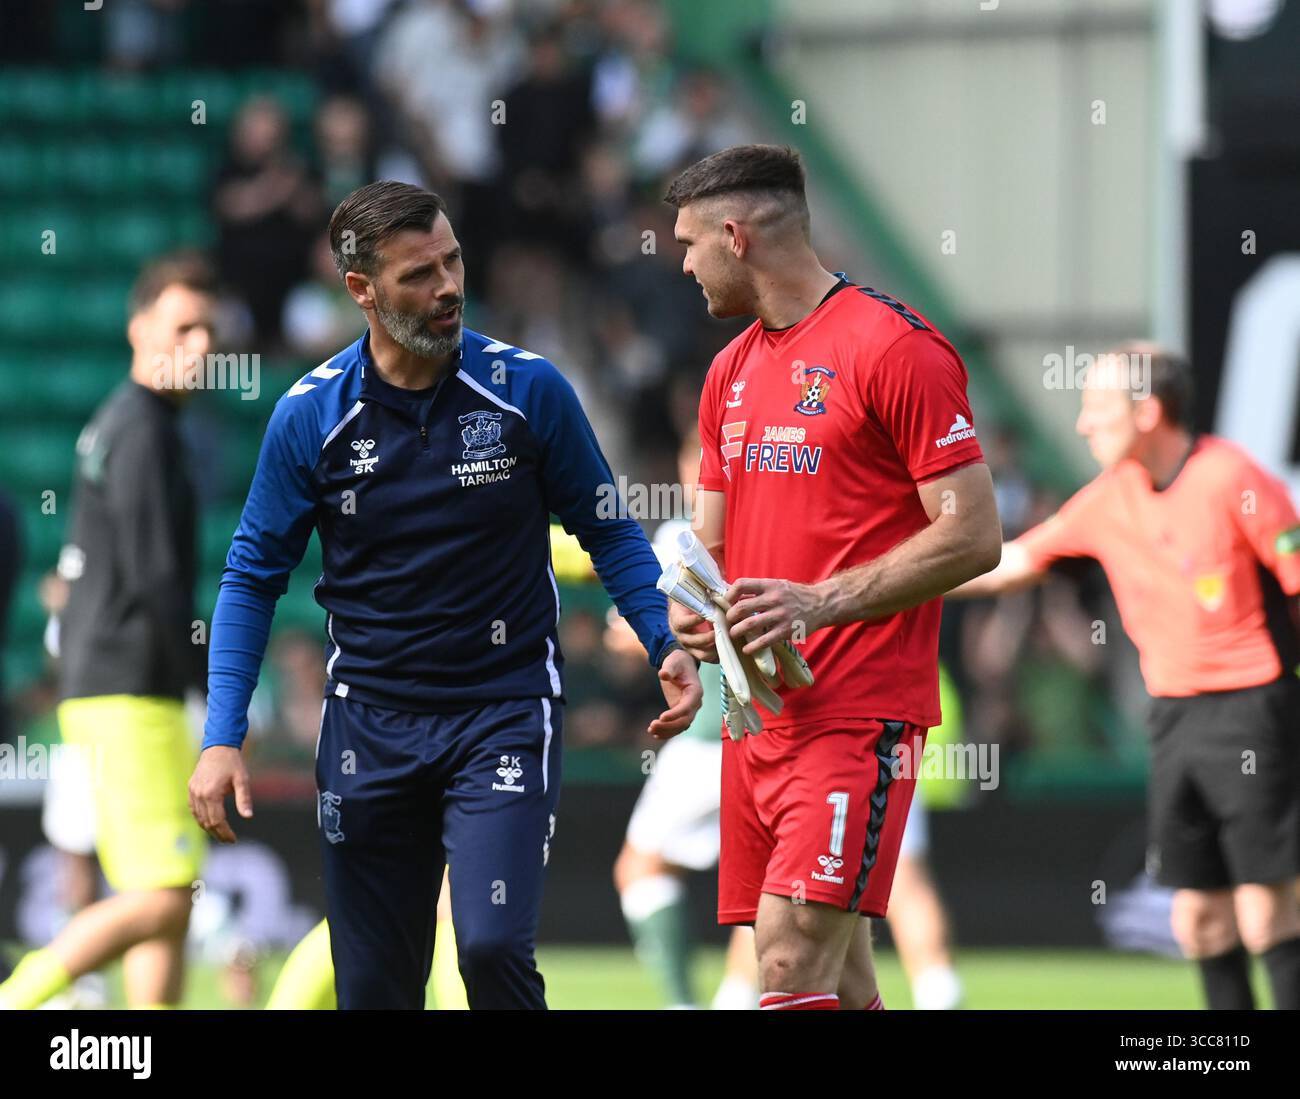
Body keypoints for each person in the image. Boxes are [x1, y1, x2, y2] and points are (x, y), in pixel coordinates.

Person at [189, 180, 701, 1010]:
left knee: (491, 947)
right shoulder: (310, 416)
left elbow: (608, 527)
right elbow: (251, 574)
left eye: (453, 261)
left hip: (501, 708)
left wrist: (662, 641)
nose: (448, 288)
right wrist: (222, 733)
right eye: (419, 275)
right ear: (361, 290)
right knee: (376, 988)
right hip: (368, 724)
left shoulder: (529, 392)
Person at [664, 145, 1002, 1010]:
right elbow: (714, 549)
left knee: (784, 967)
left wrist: (818, 600)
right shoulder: (726, 373)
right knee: (843, 982)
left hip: (858, 717)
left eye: (690, 244)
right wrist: (689, 627)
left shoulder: (896, 347)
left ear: (735, 237)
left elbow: (975, 537)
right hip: (759, 718)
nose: (683, 264)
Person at [949, 343, 1300, 1010]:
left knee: (1266, 910)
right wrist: (896, 580)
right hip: (1173, 718)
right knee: (1198, 919)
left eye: (1098, 408)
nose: (1084, 424)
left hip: (1254, 709)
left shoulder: (1232, 479)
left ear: (1149, 412)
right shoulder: (1109, 499)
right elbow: (1018, 560)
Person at [0, 253, 216, 1010]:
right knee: (163, 898)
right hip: (133, 689)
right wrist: (214, 697)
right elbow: (161, 581)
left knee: (164, 899)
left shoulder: (122, 422)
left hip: (108, 685)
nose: (201, 347)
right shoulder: (145, 430)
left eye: (209, 331)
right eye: (182, 327)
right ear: (138, 329)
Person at [612, 435, 759, 1010]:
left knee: (640, 866)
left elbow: (660, 631)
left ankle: (685, 1003)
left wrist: (630, 637)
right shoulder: (769, 526)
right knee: (770, 882)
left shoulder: (681, 535)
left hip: (708, 739)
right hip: (775, 730)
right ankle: (735, 998)